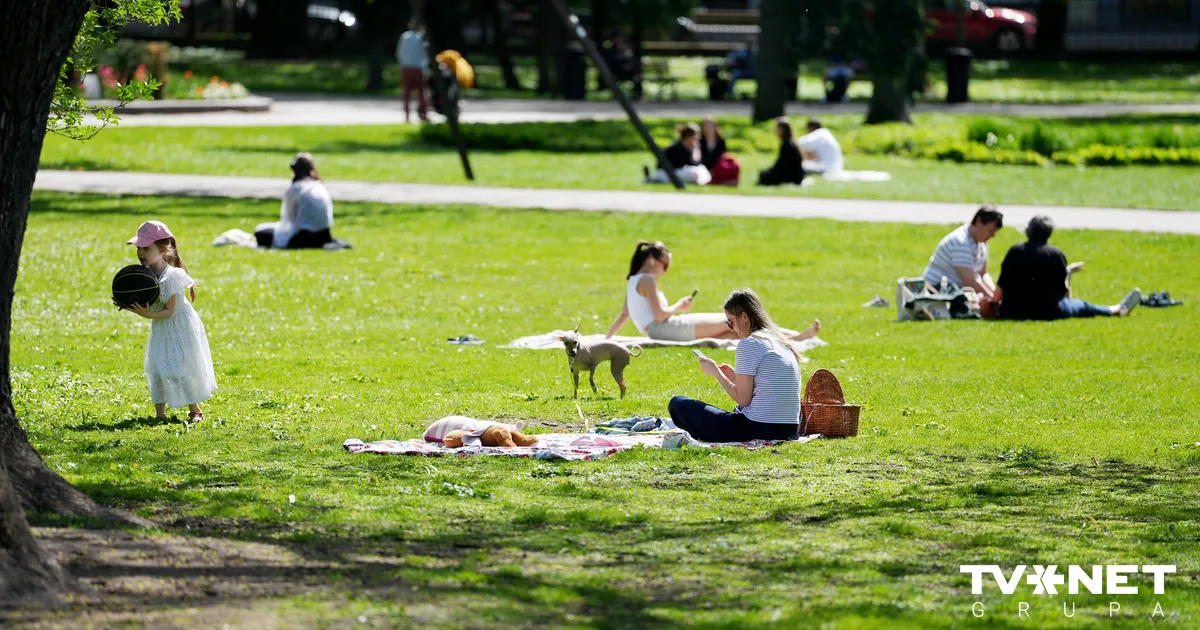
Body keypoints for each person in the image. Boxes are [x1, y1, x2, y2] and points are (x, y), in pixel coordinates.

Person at [606, 241, 820, 343]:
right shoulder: (647, 280)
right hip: (666, 328)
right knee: (735, 320)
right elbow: (660, 315)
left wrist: (608, 337)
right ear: (652, 261)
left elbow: (625, 313)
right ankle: (795, 337)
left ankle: (789, 338)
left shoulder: (633, 280)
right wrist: (679, 305)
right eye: (665, 265)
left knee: (731, 332)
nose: (665, 271)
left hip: (660, 330)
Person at [667, 289, 803, 443]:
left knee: (678, 404)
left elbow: (744, 400)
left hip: (757, 429)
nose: (730, 329)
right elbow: (768, 387)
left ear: (744, 317)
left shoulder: (750, 343)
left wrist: (717, 373)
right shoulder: (781, 343)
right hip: (790, 430)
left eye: (730, 322)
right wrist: (733, 377)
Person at [115, 220, 217, 422]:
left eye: (146, 248)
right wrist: (127, 302)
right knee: (158, 367)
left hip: (180, 327)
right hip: (161, 327)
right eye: (138, 248)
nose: (141, 253)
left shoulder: (172, 276)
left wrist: (146, 315)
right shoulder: (143, 276)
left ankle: (195, 410)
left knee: (181, 368)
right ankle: (160, 414)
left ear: (162, 249)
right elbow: (148, 302)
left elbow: (169, 311)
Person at [997, 215, 1142, 320]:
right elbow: (1064, 295)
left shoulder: (1015, 251)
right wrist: (1068, 273)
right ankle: (1116, 310)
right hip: (1048, 312)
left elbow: (1002, 285)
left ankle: (1117, 310)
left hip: (1012, 310)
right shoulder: (1056, 255)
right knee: (1083, 306)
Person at [255, 153, 344, 249]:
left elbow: (288, 220)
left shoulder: (295, 189)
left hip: (303, 236)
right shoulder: (319, 186)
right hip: (324, 234)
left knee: (260, 232)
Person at [922, 205, 1004, 299]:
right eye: (991, 230)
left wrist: (995, 294)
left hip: (957, 291)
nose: (993, 235)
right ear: (979, 221)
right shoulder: (961, 242)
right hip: (937, 292)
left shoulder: (981, 243)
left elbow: (983, 273)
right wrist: (993, 300)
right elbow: (970, 281)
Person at [644, 123, 712, 186]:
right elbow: (689, 163)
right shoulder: (676, 148)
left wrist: (695, 151)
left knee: (702, 168)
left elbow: (697, 164)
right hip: (666, 173)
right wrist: (694, 151)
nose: (698, 137)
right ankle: (653, 179)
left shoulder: (692, 147)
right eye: (696, 135)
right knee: (694, 173)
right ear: (688, 136)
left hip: (679, 172)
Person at [396, 18, 429, 123]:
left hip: (406, 67)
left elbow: (399, 52)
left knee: (406, 93)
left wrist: (402, 63)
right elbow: (424, 54)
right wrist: (426, 68)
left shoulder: (405, 36)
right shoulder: (421, 37)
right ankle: (423, 114)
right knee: (422, 93)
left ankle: (407, 115)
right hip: (418, 68)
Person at [757, 117, 804, 186]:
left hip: (792, 177)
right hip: (795, 175)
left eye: (776, 128)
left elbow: (782, 165)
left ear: (782, 130)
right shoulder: (790, 142)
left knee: (764, 176)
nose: (775, 130)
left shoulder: (787, 145)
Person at [700, 116, 740, 186]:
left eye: (710, 125)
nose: (708, 128)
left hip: (717, 168)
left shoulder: (720, 141)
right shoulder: (699, 141)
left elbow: (724, 155)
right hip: (704, 168)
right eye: (706, 126)